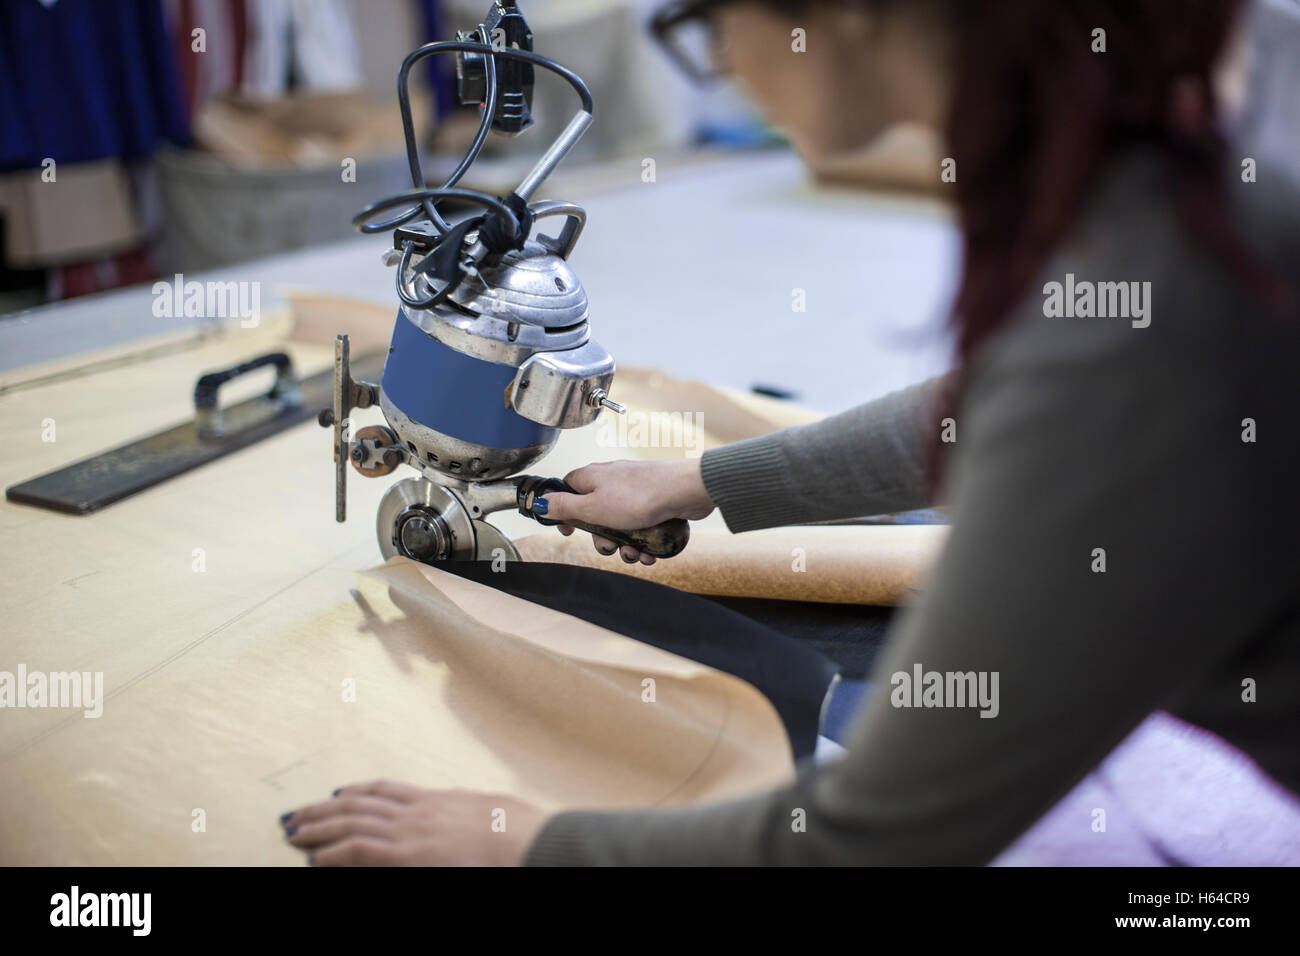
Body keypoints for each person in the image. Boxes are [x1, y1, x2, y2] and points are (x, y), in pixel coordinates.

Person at [279, 0, 1300, 865]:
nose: (723, 64)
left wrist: (535, 842)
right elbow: (1002, 397)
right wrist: (703, 481)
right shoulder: (1215, 95)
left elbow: (869, 841)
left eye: (709, 22)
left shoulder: (1169, 289)